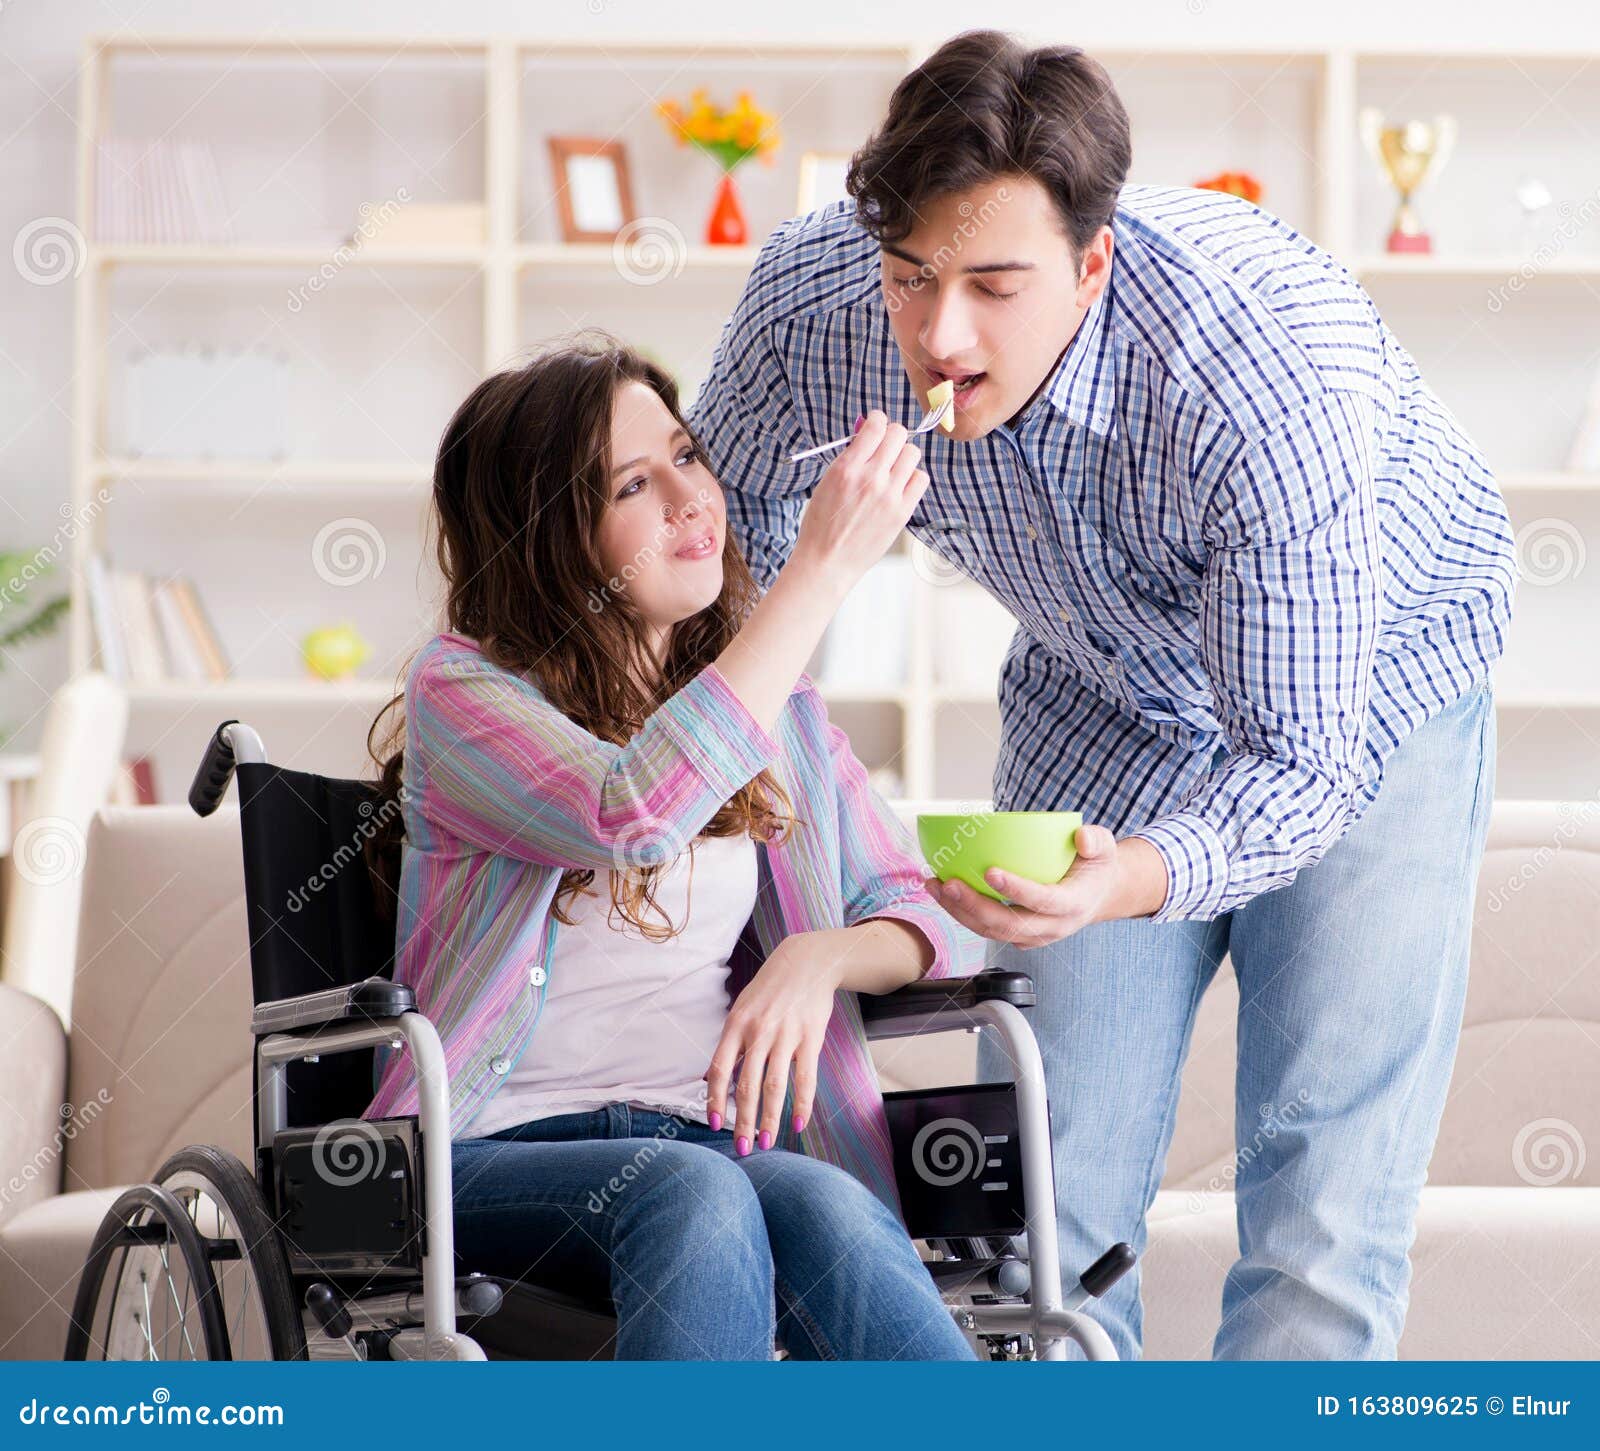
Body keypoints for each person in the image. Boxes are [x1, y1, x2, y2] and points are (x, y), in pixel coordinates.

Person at [687, 30, 1516, 1359]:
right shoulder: (817, 306)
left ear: (1093, 262)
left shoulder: (1259, 378)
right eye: (912, 276)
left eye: (994, 285)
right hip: (1101, 694)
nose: (941, 336)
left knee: (1319, 1212)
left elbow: (1296, 765)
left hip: (1372, 699)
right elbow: (713, 570)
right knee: (1042, 1214)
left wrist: (1125, 877)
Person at [359, 334, 980, 1361]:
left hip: (696, 1138)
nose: (692, 500)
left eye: (689, 457)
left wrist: (813, 956)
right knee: (688, 1186)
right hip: (480, 1150)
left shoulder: (775, 712)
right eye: (633, 485)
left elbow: (928, 913)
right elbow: (631, 811)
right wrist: (818, 573)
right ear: (551, 537)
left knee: (827, 1204)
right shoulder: (462, 694)